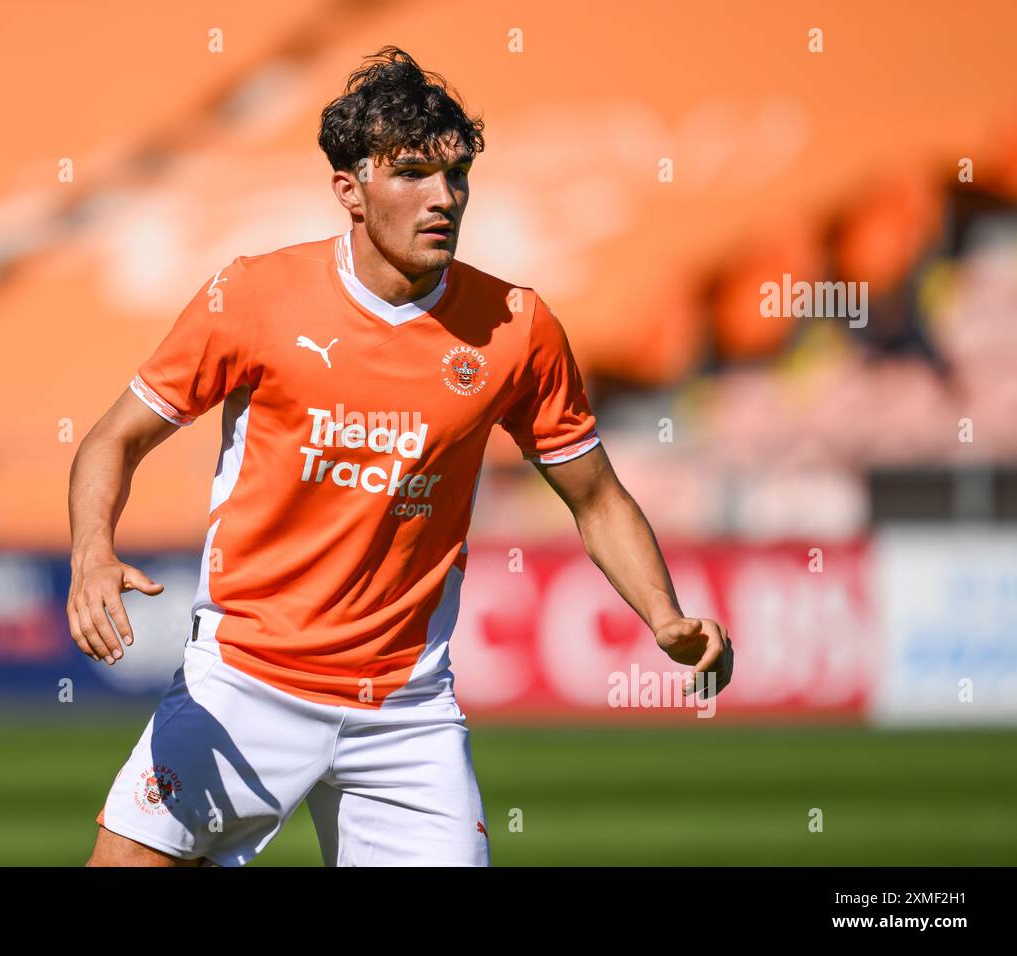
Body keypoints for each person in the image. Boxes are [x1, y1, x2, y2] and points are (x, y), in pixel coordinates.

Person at [68, 46, 732, 867]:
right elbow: (114, 438)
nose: (443, 198)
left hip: (405, 711)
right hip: (246, 679)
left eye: (457, 175)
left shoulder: (515, 327)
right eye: (413, 174)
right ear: (350, 189)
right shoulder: (251, 297)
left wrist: (663, 616)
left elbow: (595, 497)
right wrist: (92, 553)